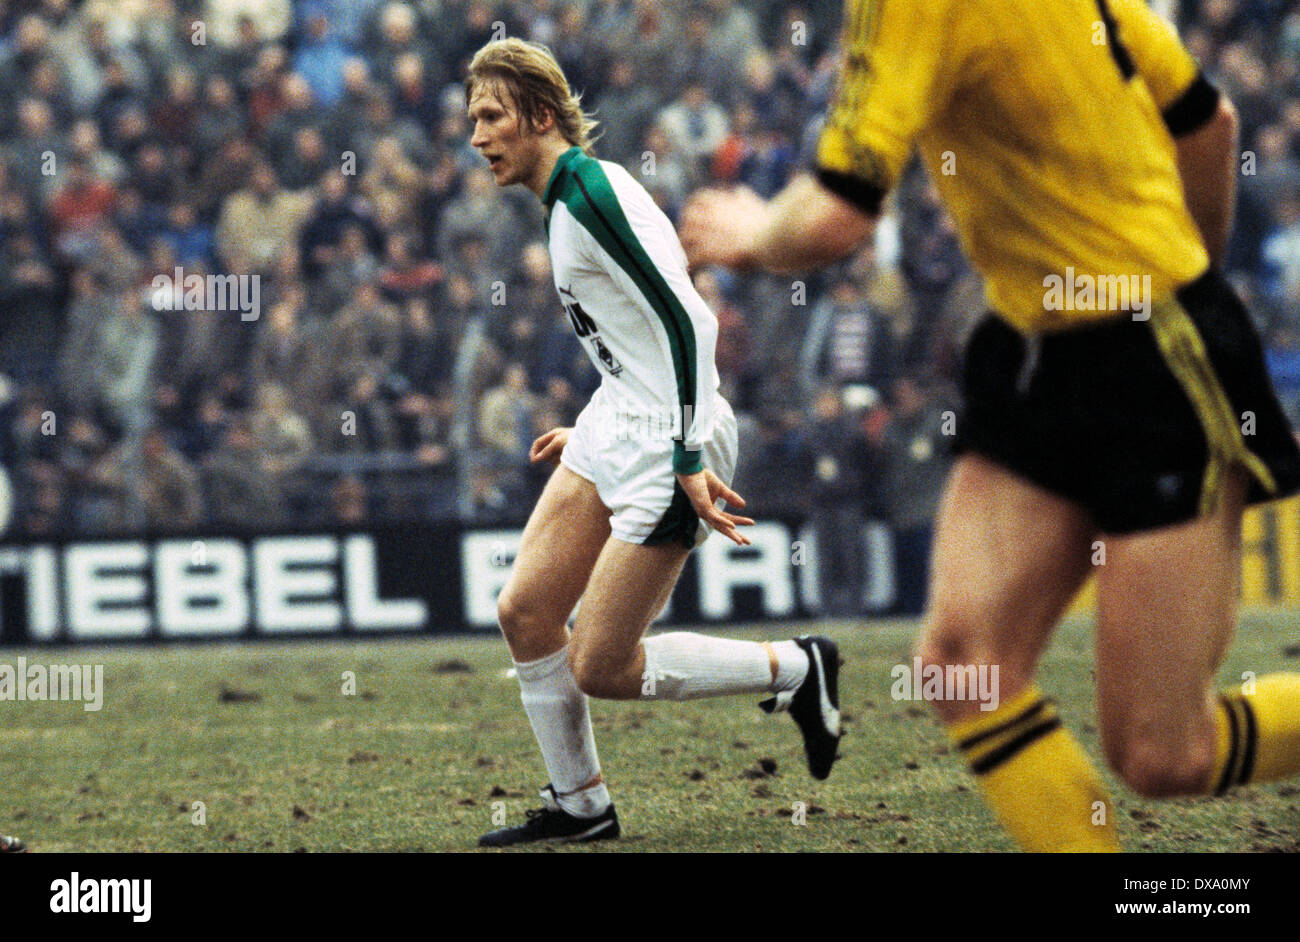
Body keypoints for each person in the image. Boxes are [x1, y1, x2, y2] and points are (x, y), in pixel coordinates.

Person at [680, 0, 1300, 852]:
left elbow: (837, 213)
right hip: (1039, 349)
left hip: (1153, 357)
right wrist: (1196, 267)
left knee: (1166, 755)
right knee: (962, 666)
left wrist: (749, 234)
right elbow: (1208, 122)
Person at [464, 38, 843, 847]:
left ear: (538, 116)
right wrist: (601, 420)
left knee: (602, 667)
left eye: (491, 116)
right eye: (472, 119)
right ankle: (582, 808)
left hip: (677, 436)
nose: (476, 135)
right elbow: (636, 333)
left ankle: (800, 667)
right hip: (623, 420)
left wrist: (682, 455)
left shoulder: (592, 193)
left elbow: (686, 321)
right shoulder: (565, 198)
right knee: (525, 611)